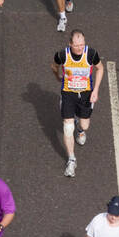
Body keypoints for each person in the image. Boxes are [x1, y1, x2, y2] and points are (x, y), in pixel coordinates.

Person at [52, 29, 104, 176]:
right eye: (77, 45)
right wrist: (59, 76)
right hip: (68, 93)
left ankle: (80, 130)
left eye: (82, 44)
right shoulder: (62, 54)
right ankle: (71, 160)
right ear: (70, 44)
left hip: (86, 94)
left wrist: (96, 90)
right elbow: (54, 66)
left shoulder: (91, 54)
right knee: (67, 127)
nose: (80, 48)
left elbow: (100, 68)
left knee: (84, 125)